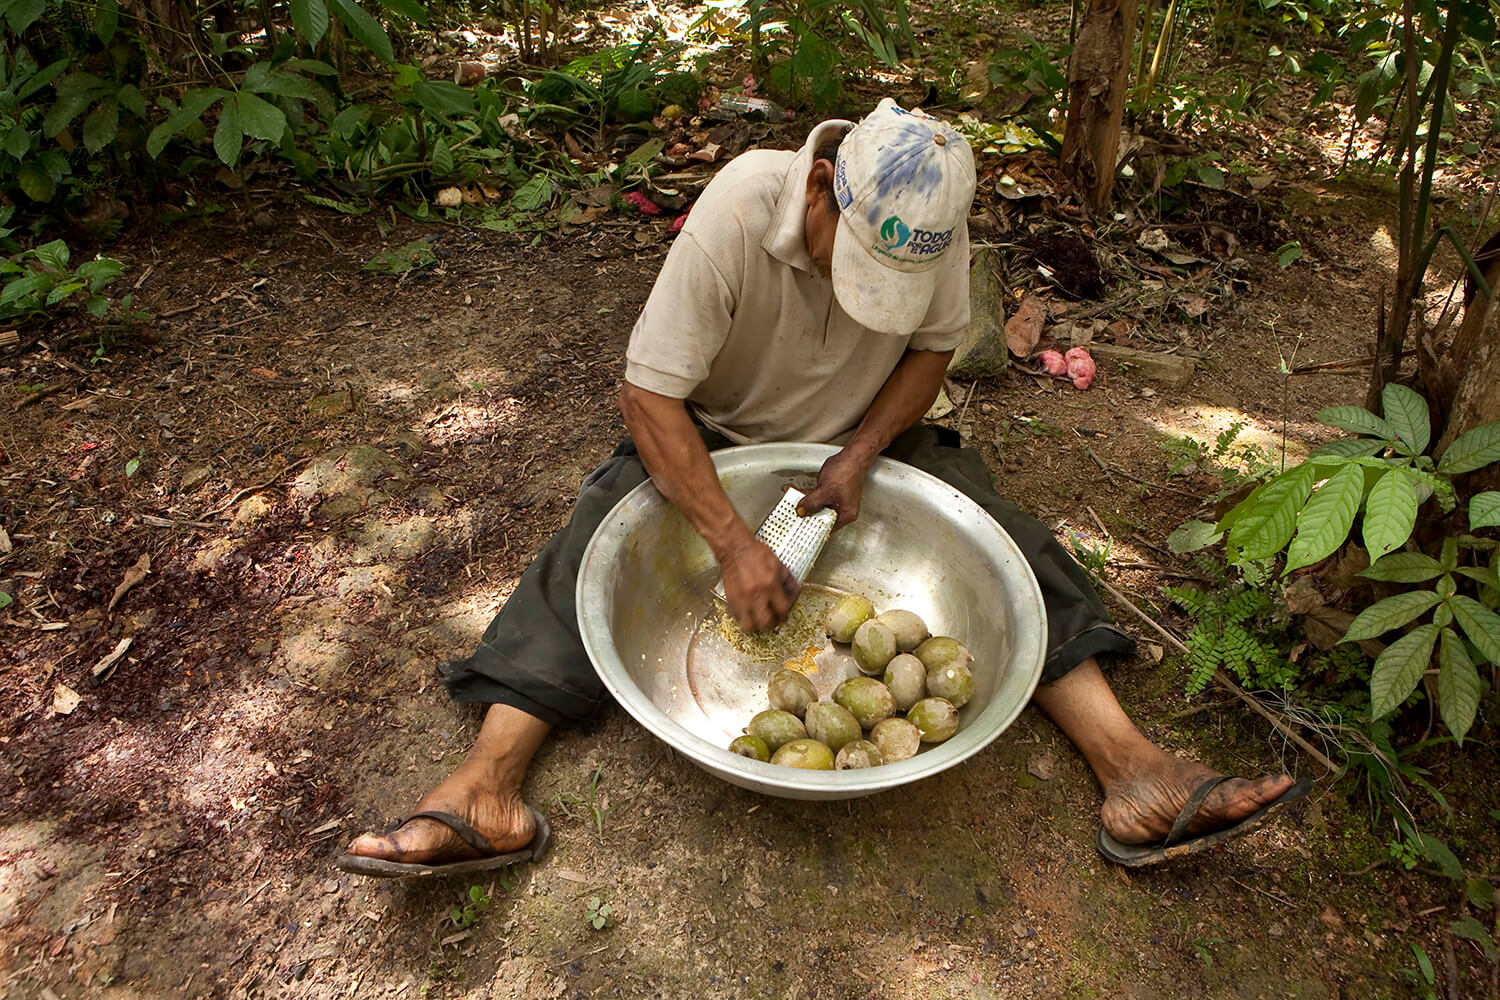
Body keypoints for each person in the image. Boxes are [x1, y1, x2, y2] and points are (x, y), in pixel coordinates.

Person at [337, 98, 1305, 877]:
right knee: (594, 542)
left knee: (1004, 539)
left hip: (860, 438)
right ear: (817, 187)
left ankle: (1131, 768)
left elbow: (929, 352)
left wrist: (865, 448)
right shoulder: (735, 213)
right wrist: (730, 540)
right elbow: (647, 396)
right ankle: (487, 787)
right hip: (715, 435)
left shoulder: (932, 226)